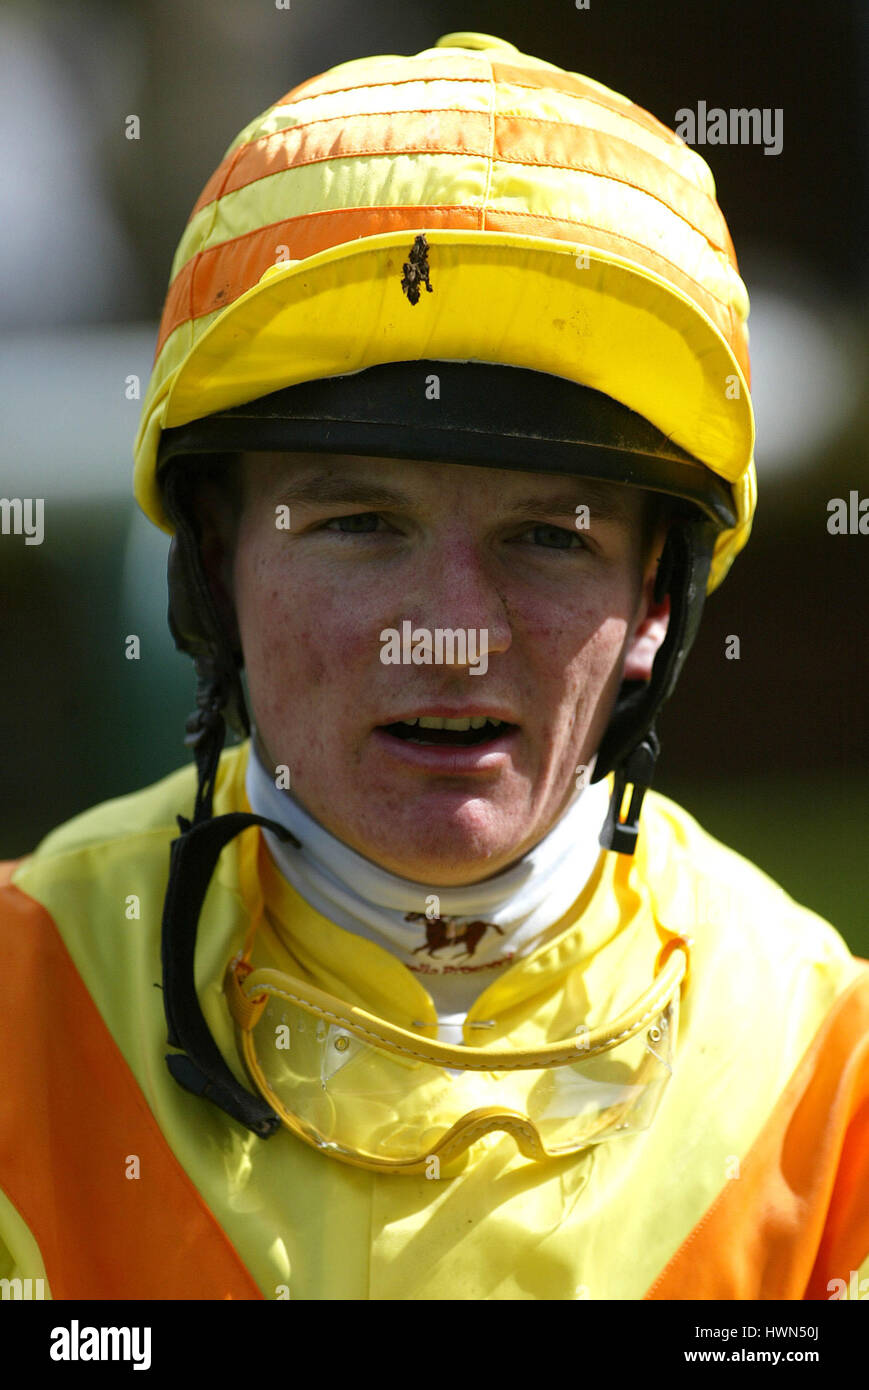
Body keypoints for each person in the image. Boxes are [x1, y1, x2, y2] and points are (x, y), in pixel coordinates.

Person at [1, 31, 867, 1303]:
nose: (452, 630)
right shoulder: (19, 1011)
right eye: (360, 526)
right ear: (211, 564)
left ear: (652, 601)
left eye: (545, 538)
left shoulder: (826, 1078)